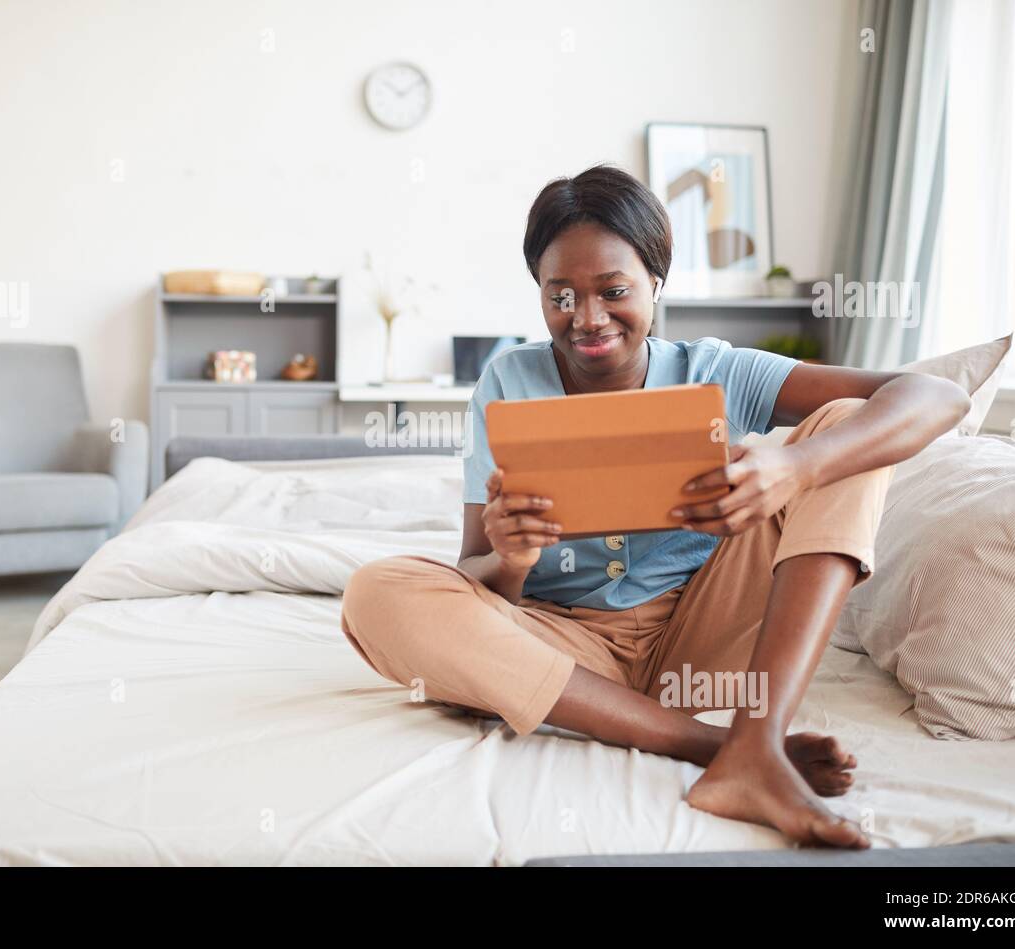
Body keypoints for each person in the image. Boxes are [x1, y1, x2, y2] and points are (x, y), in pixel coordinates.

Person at [340, 164, 970, 847]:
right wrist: (513, 559)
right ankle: (716, 749)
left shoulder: (716, 371)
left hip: (709, 632)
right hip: (571, 654)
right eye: (561, 297)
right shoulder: (507, 379)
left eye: (614, 291)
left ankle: (757, 737)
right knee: (379, 593)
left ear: (656, 285)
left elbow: (937, 396)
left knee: (848, 421)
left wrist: (794, 465)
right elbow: (476, 577)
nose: (587, 319)